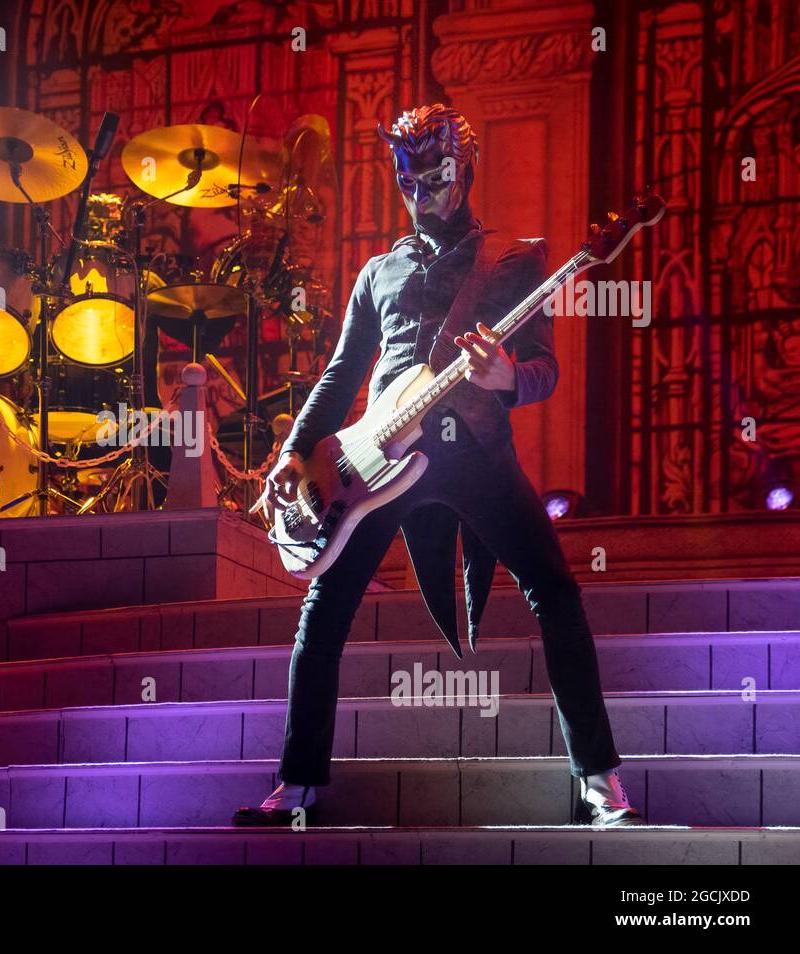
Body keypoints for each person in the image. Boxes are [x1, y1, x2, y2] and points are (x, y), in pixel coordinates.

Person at [233, 104, 641, 829]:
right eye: (408, 179)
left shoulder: (514, 259)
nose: (423, 192)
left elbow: (544, 369)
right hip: (375, 455)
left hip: (475, 453)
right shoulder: (377, 271)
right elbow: (339, 373)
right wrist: (293, 451)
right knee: (323, 606)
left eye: (436, 176)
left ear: (465, 169)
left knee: (554, 589)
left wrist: (504, 377)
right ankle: (294, 788)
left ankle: (600, 783)